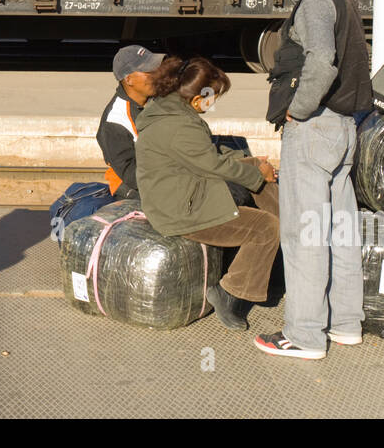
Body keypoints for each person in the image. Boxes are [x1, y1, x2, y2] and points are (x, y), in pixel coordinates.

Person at [258, 0, 373, 360]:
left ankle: (304, 335)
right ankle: (345, 324)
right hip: (343, 128)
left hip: (315, 127)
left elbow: (321, 61)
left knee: (304, 234)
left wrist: (298, 110)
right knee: (339, 231)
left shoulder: (315, 0)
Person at [134, 55, 280, 331]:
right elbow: (212, 163)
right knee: (266, 228)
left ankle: (293, 239)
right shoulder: (180, 126)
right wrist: (256, 172)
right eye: (214, 97)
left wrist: (253, 165)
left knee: (252, 167)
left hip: (182, 193)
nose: (214, 103)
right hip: (182, 211)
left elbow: (205, 154)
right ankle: (231, 293)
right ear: (198, 99)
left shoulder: (169, 110)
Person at [96, 45, 164, 200]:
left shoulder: (158, 99)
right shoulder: (115, 121)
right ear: (129, 79)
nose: (157, 75)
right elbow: (131, 175)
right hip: (135, 189)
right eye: (149, 72)